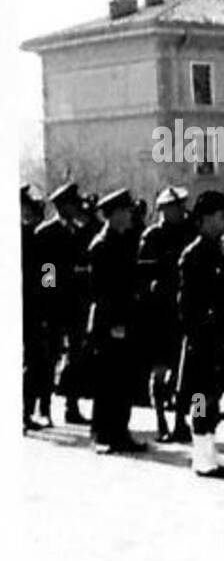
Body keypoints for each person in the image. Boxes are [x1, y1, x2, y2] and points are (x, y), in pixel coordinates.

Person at [176, 191, 224, 477]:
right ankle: (201, 455)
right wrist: (200, 330)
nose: (222, 221)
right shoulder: (193, 255)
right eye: (216, 217)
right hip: (202, 339)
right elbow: (187, 304)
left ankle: (210, 449)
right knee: (201, 397)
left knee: (213, 396)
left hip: (218, 337)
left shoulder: (220, 250)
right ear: (202, 220)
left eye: (222, 216)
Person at [87, 189, 146, 454]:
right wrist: (114, 322)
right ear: (114, 215)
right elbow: (101, 290)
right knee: (106, 379)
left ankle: (120, 431)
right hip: (109, 321)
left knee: (123, 378)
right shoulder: (101, 245)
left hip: (126, 318)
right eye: (125, 211)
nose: (130, 215)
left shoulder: (123, 241)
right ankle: (101, 433)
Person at [137, 186, 195, 442]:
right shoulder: (152, 237)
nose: (181, 211)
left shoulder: (189, 232)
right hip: (159, 312)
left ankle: (183, 420)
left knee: (185, 372)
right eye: (176, 208)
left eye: (182, 206)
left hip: (183, 309)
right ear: (164, 210)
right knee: (160, 371)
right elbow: (143, 275)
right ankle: (161, 421)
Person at [34, 182, 91, 426]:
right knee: (50, 357)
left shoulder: (78, 232)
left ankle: (72, 405)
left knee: (76, 357)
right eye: (72, 204)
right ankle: (43, 407)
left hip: (76, 304)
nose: (76, 208)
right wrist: (61, 283)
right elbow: (46, 273)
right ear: (62, 206)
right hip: (54, 304)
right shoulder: (46, 233)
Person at [21, 185, 49, 431]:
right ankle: (25, 413)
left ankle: (27, 412)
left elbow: (46, 271)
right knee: (32, 360)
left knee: (34, 360)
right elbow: (45, 271)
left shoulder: (32, 234)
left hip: (31, 305)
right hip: (30, 306)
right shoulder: (31, 235)